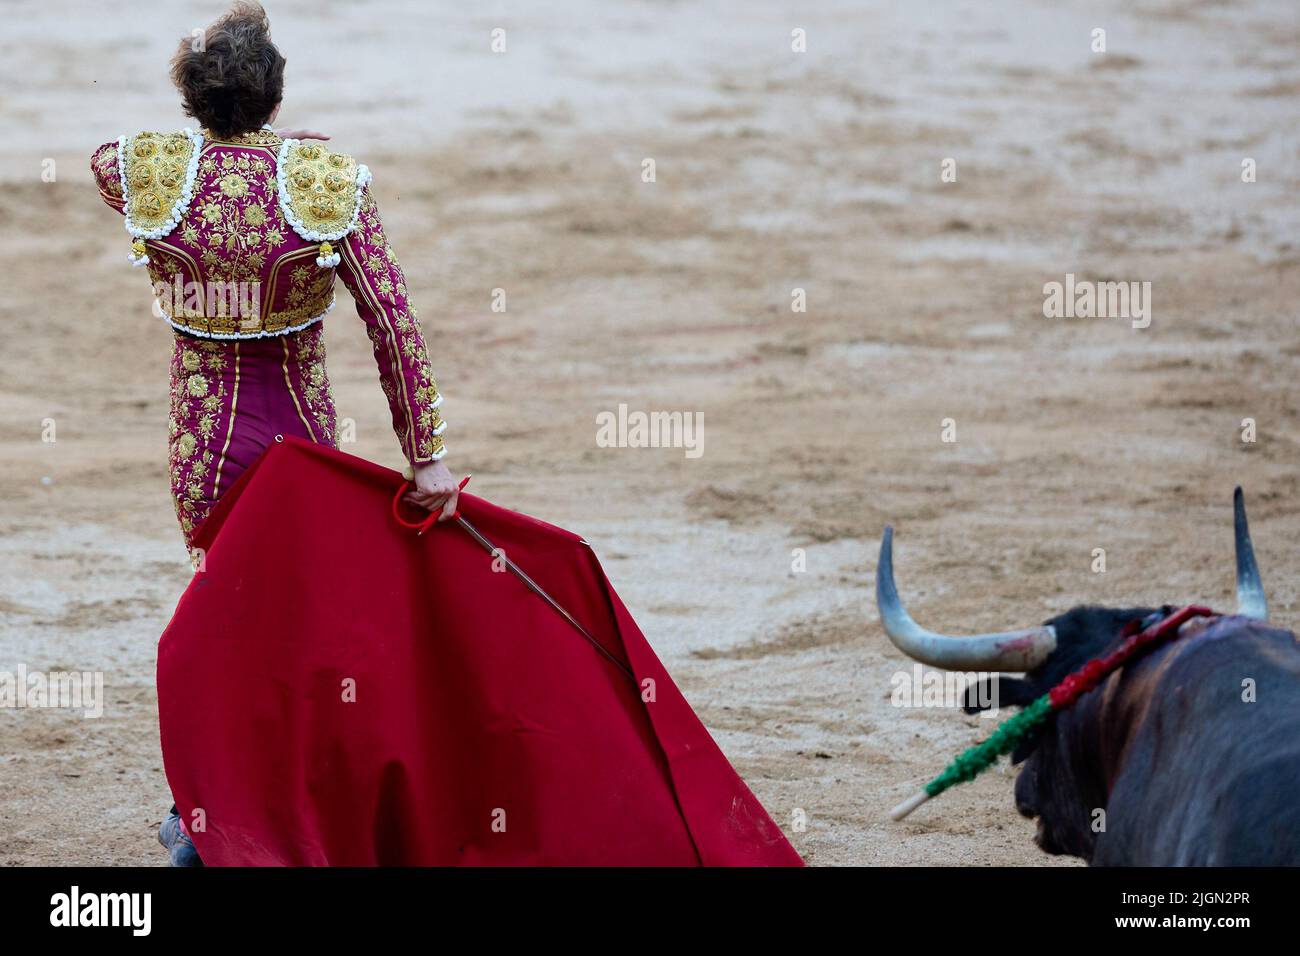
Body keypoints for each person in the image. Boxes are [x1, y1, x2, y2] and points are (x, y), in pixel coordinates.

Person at [91, 1, 459, 865]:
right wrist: (427, 457)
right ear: (277, 95)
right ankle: (265, 813)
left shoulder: (147, 171)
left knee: (229, 617)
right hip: (303, 439)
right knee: (298, 629)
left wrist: (206, 131)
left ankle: (205, 820)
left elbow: (106, 157)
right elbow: (394, 325)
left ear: (190, 98)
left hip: (204, 439)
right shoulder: (327, 182)